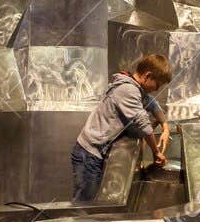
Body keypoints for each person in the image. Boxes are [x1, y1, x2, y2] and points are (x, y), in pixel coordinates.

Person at [70, 54, 172, 203]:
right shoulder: (128, 90)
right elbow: (144, 126)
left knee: (91, 202)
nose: (157, 89)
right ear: (147, 75)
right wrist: (156, 153)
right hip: (89, 154)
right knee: (85, 204)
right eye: (158, 84)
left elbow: (152, 104)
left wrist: (165, 126)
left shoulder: (137, 89)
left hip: (96, 153)